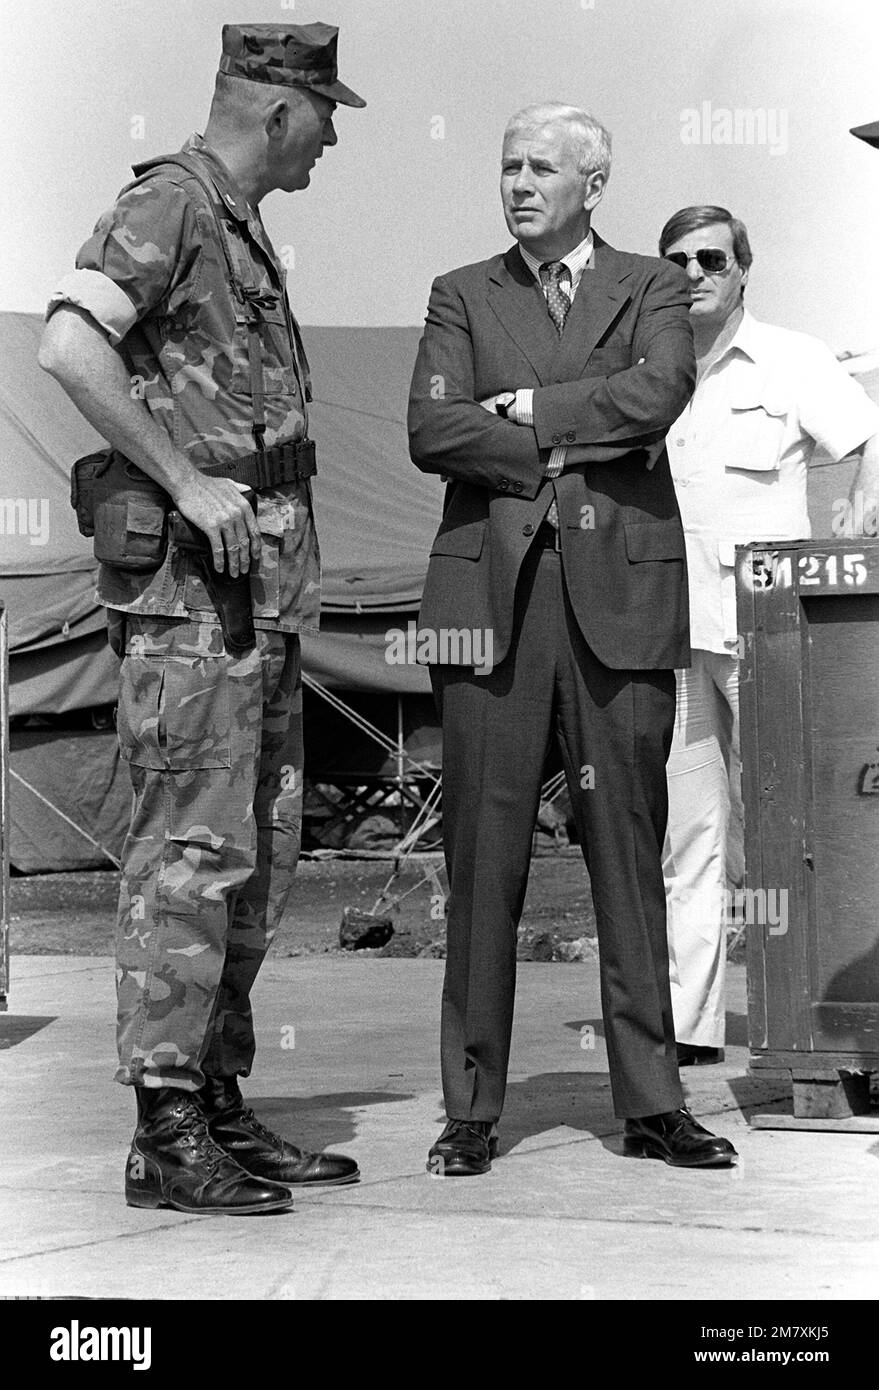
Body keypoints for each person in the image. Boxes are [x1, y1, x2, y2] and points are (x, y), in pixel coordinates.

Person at [39, 23, 366, 1214]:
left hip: (258, 596)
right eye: (325, 113)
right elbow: (69, 342)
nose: (332, 135)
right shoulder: (174, 203)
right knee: (189, 853)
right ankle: (164, 1129)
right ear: (277, 110)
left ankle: (217, 1103)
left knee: (258, 856)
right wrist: (181, 478)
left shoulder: (234, 220)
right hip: (191, 597)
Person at [408, 103, 737, 1174]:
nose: (517, 182)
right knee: (483, 862)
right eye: (508, 164)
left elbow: (661, 390)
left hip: (621, 605)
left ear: (594, 184)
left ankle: (651, 1101)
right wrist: (573, 430)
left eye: (541, 166)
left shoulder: (652, 283)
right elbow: (431, 428)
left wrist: (524, 411)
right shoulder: (462, 291)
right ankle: (470, 1109)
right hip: (490, 611)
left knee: (629, 857)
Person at [658, 205, 879, 1065]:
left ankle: (806, 1018)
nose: (693, 273)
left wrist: (860, 507)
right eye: (675, 259)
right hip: (672, 636)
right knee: (689, 837)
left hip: (766, 638)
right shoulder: (649, 368)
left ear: (743, 267)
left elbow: (862, 434)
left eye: (710, 258)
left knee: (790, 832)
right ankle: (689, 1025)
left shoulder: (790, 358)